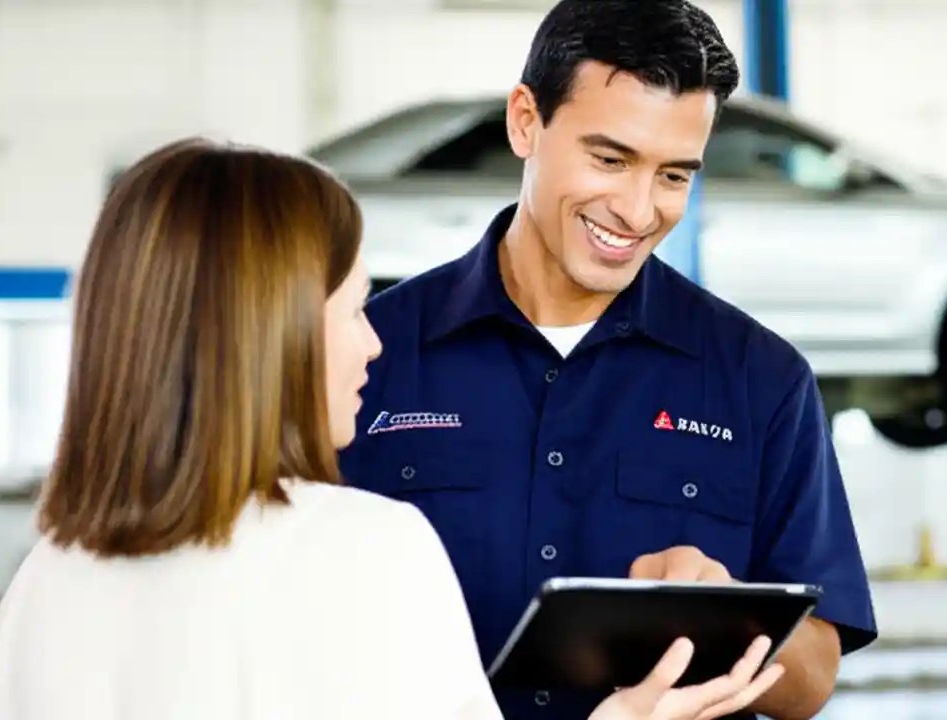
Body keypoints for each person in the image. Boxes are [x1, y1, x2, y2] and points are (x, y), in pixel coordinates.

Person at [0, 138, 784, 720]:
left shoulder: (47, 584)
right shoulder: (367, 548)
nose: (373, 339)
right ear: (273, 331)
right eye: (349, 306)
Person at [337, 1, 879, 719]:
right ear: (526, 120)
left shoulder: (761, 380)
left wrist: (730, 617)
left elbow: (813, 679)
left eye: (674, 176)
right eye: (610, 159)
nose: (637, 208)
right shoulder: (366, 356)